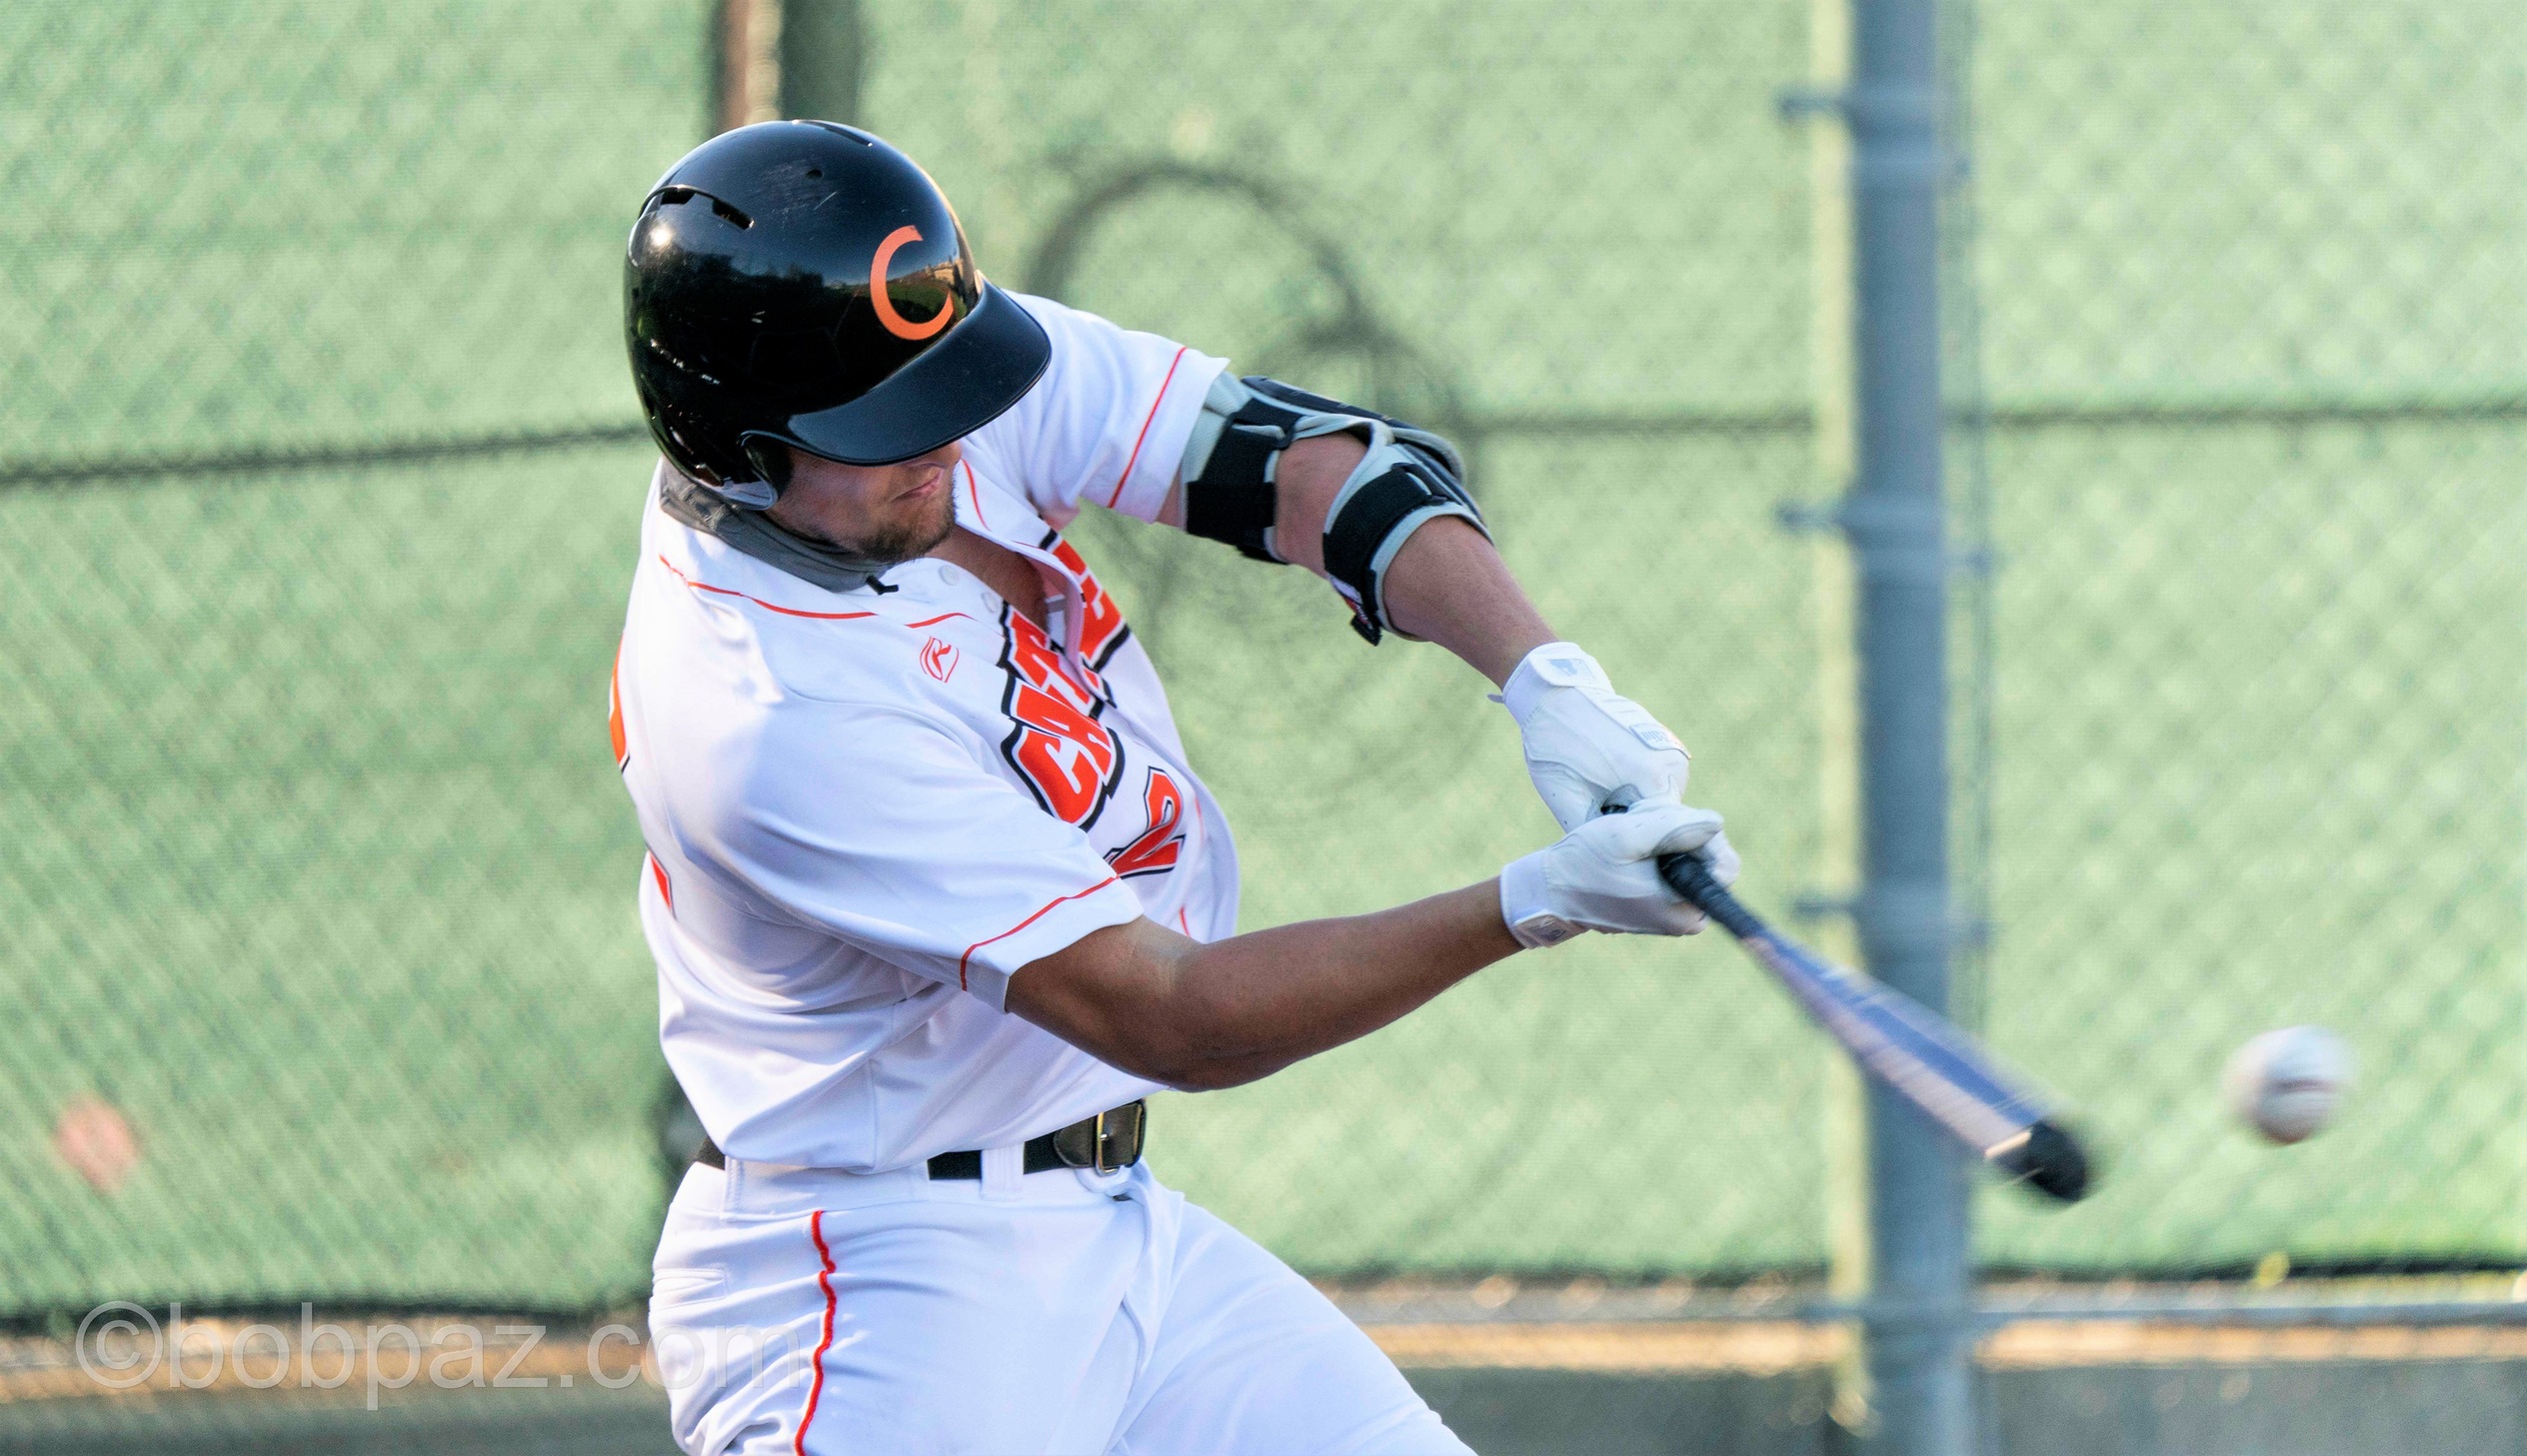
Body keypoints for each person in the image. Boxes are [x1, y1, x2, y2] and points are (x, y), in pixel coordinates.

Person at [614, 120, 1736, 1456]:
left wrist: (1543, 675)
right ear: (735, 448)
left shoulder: (913, 376)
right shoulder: (762, 712)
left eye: (943, 389)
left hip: (1112, 1229)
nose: (944, 438)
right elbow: (1176, 1019)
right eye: (883, 428)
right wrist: (1528, 903)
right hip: (877, 1290)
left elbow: (1309, 465)